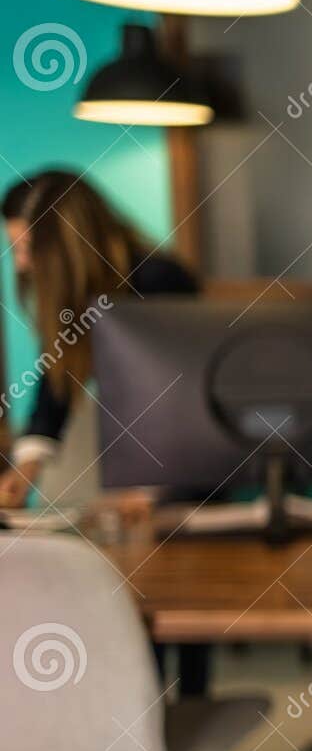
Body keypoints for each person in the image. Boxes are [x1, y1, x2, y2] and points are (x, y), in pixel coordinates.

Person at [0, 170, 198, 508]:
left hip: (186, 486)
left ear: (68, 244)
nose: (21, 264)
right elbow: (56, 383)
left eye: (28, 249)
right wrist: (25, 470)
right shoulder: (72, 302)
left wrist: (151, 493)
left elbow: (186, 408)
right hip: (131, 487)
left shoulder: (160, 281)